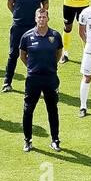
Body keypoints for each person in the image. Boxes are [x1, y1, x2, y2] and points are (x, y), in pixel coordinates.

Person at [20, 8, 63, 151]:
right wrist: (32, 67)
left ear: (48, 19)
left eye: (44, 17)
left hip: (50, 78)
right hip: (33, 78)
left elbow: (58, 53)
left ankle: (55, 140)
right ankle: (28, 140)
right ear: (35, 18)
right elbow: (22, 55)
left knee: (52, 109)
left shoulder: (55, 36)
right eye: (39, 17)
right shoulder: (27, 36)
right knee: (28, 109)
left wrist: (50, 66)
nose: (42, 19)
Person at [3, 0, 48, 92]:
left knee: (37, 54)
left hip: (34, 27)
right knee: (13, 54)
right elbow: (10, 3)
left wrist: (40, 17)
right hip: (18, 26)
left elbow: (45, 3)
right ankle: (7, 82)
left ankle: (40, 83)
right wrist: (17, 14)